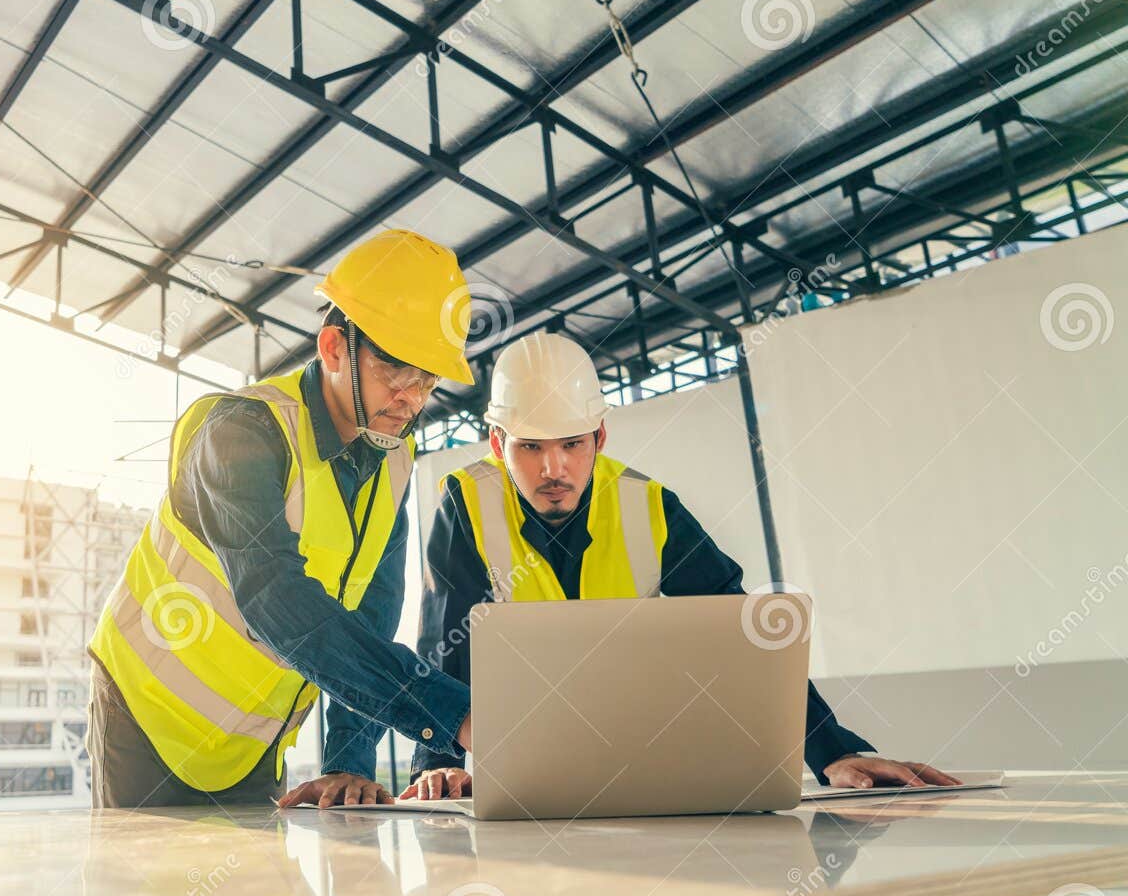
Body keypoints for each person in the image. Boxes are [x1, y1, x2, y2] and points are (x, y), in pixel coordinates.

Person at [404, 330, 959, 800]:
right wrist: (436, 762)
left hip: (640, 756)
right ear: (499, 445)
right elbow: (446, 643)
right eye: (530, 447)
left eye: (572, 443)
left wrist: (831, 750)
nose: (555, 467)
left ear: (599, 436)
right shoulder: (466, 504)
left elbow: (745, 631)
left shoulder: (648, 507)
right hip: (526, 767)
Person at [87, 229, 478, 809]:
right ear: (334, 348)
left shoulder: (394, 458)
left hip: (253, 742)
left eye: (428, 379)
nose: (412, 399)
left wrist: (348, 762)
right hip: (148, 717)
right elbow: (272, 595)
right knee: (151, 894)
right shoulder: (239, 432)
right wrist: (455, 713)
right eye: (397, 371)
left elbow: (370, 617)